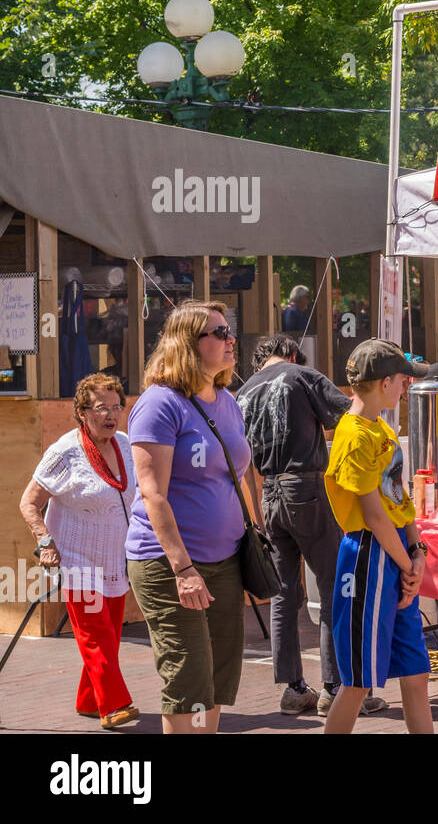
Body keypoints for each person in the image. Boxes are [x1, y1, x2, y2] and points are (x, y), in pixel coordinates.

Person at [237, 334, 389, 717]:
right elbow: (352, 416)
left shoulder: (243, 392)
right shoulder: (302, 374)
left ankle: (293, 689)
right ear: (291, 353)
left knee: (284, 593)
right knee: (335, 587)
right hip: (306, 487)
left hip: (267, 492)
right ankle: (335, 686)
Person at [126, 300, 249, 734]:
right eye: (219, 333)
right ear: (187, 343)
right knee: (189, 676)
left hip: (225, 561)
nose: (230, 339)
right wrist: (183, 568)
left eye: (229, 330)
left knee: (217, 674)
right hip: (171, 565)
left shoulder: (228, 400)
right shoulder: (160, 404)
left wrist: (254, 541)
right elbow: (152, 493)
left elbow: (238, 476)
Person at [321, 339, 434, 734]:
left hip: (397, 553)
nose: (406, 389)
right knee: (358, 681)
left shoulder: (380, 426)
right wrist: (409, 565)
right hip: (370, 556)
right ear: (385, 383)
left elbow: (398, 500)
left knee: (416, 672)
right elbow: (373, 515)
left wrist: (416, 551)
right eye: (404, 381)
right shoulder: (353, 435)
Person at [20, 373, 138, 729]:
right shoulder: (65, 451)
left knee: (110, 637)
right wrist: (44, 541)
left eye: (117, 406)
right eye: (101, 408)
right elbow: (29, 503)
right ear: (82, 412)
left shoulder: (126, 445)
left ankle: (89, 700)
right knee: (95, 635)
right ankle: (114, 706)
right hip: (75, 557)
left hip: (115, 558)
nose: (111, 414)